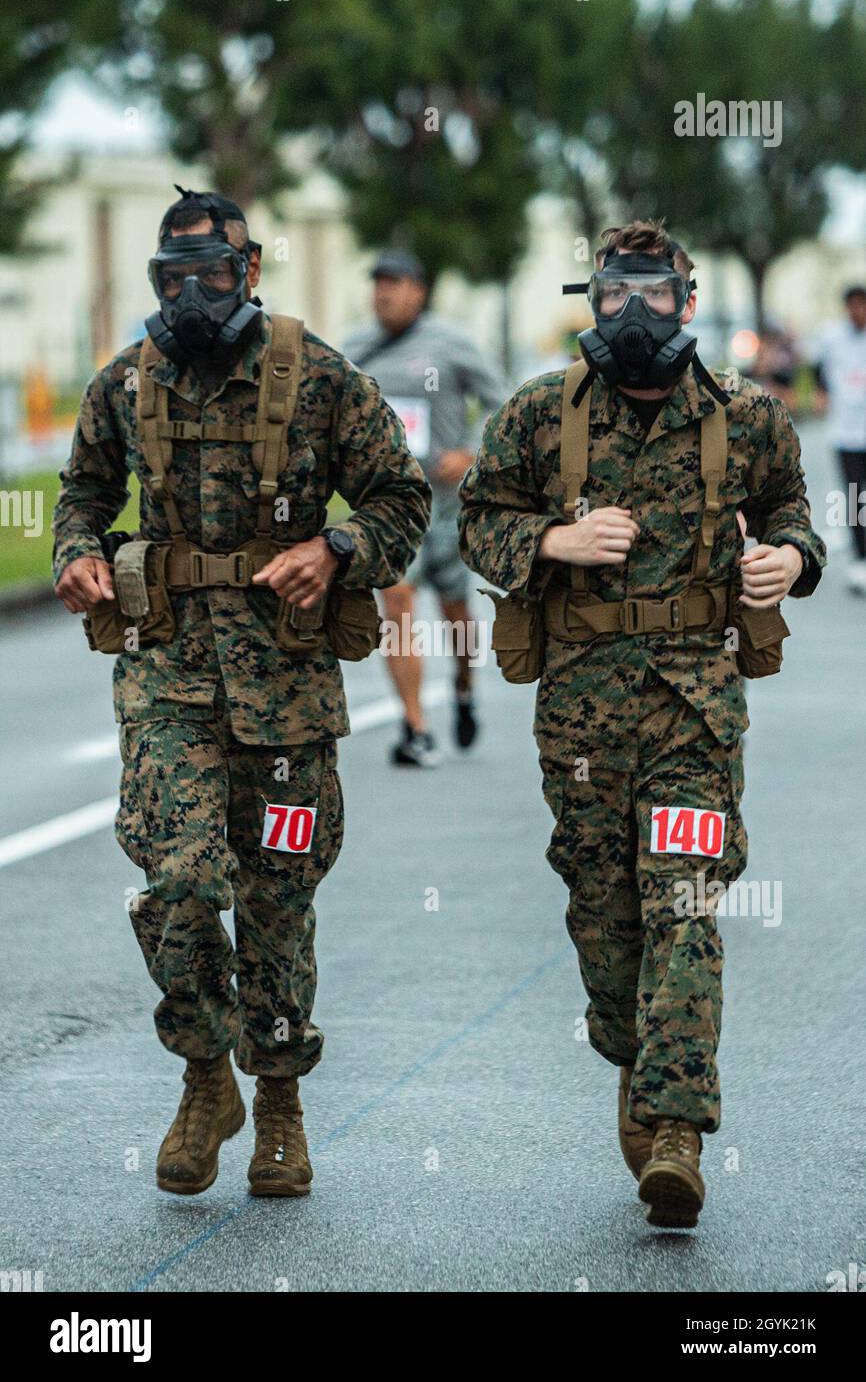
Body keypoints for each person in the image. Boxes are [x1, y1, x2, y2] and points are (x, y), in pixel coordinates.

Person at [52, 187, 430, 1198]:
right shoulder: (124, 385)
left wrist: (339, 546)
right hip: (167, 674)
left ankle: (280, 1107)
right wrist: (80, 553)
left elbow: (402, 496)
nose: (190, 295)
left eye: (211, 274)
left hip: (286, 692)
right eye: (171, 276)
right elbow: (82, 495)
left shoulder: (319, 380)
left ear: (250, 270)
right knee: (175, 883)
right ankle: (202, 1074)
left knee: (277, 904)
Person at [458, 219, 826, 1229]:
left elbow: (793, 509)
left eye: (653, 295)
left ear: (688, 302)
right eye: (612, 293)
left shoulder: (744, 415)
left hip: (693, 716)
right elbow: (476, 521)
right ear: (591, 299)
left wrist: (787, 559)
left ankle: (675, 1126)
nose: (631, 313)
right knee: (603, 920)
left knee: (684, 906)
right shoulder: (540, 414)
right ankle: (634, 1056)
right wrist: (554, 539)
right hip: (576, 713)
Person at [343, 249, 507, 766]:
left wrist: (472, 452)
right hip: (389, 506)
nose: (384, 293)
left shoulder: (451, 342)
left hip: (448, 506)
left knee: (457, 611)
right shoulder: (354, 349)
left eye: (394, 283)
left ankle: (462, 688)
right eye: (377, 284)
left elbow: (505, 405)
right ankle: (414, 725)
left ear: (419, 289)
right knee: (395, 602)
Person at [811, 285, 866, 594]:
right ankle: (860, 559)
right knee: (856, 497)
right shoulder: (832, 338)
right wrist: (822, 395)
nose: (858, 313)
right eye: (853, 306)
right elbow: (818, 371)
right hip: (846, 431)